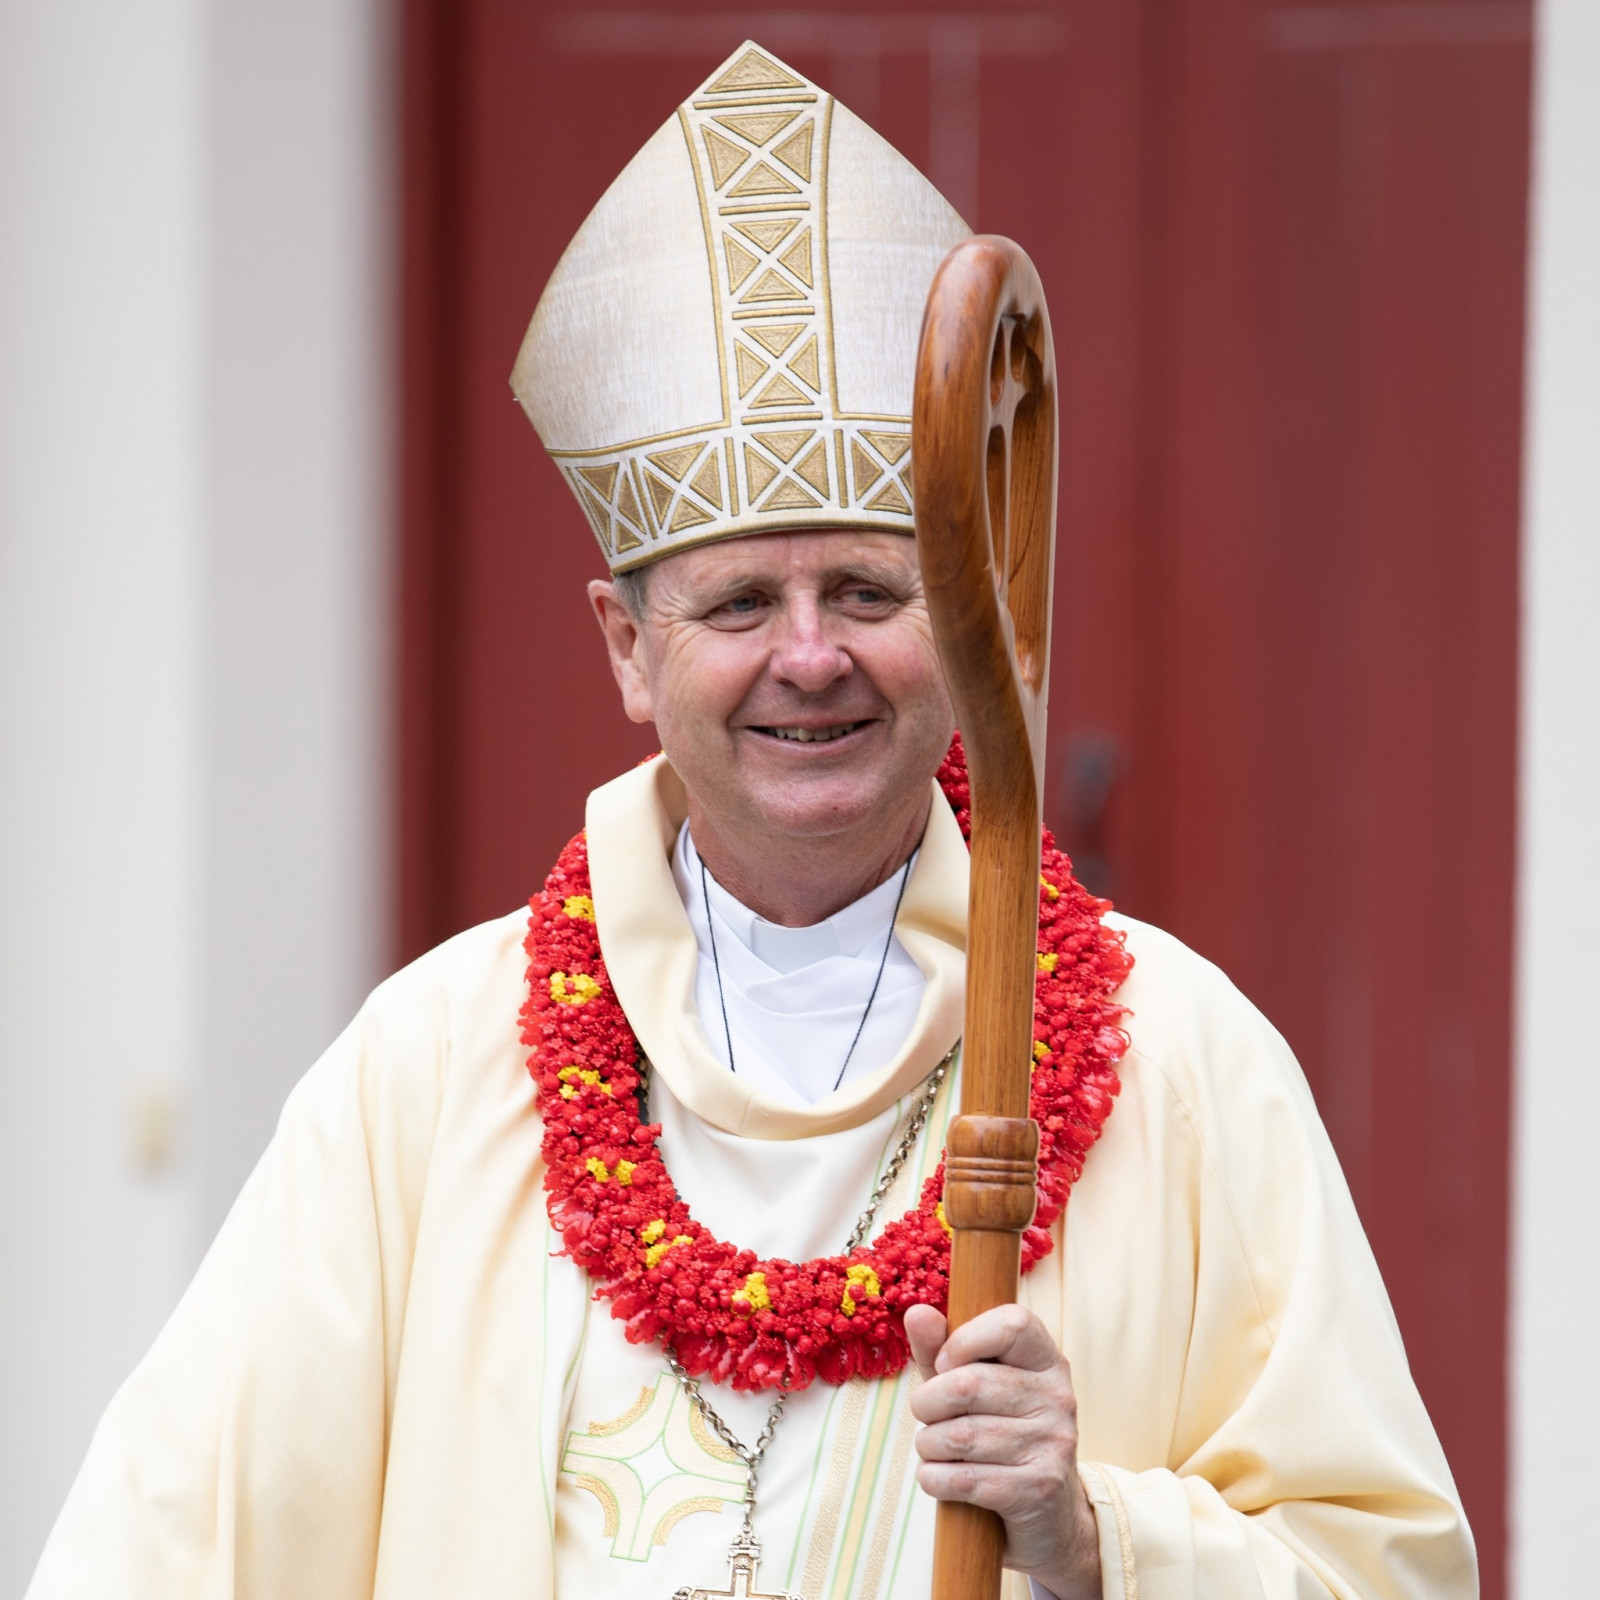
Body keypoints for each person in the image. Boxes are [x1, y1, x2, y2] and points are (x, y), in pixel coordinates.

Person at [27, 42, 1474, 1600]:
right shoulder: (431, 1075)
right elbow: (160, 1556)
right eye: (736, 603)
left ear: (971, 615)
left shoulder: (1182, 1069)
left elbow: (1382, 1572)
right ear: (626, 650)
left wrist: (1097, 1539)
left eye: (866, 587)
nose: (809, 655)